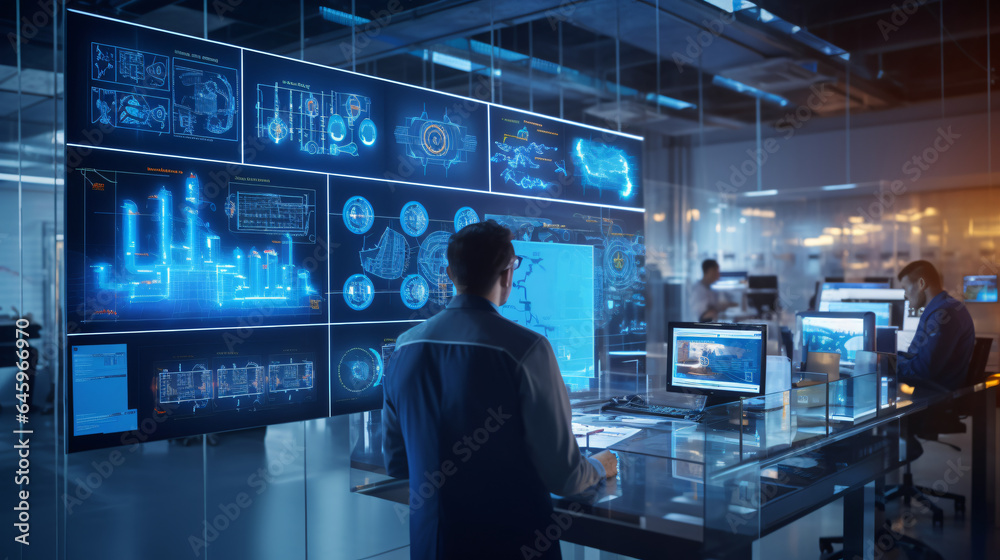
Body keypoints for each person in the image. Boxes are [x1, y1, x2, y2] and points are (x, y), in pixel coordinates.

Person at [382, 220, 617, 560]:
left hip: (433, 547)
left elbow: (398, 464)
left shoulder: (404, 348)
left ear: (449, 273)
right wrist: (599, 466)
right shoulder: (526, 350)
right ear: (508, 274)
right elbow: (564, 478)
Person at [896, 260, 975, 393]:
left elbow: (924, 370)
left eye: (905, 288)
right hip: (933, 396)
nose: (905, 295)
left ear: (921, 284)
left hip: (935, 402)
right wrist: (891, 359)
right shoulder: (942, 309)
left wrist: (888, 366)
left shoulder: (944, 315)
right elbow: (916, 357)